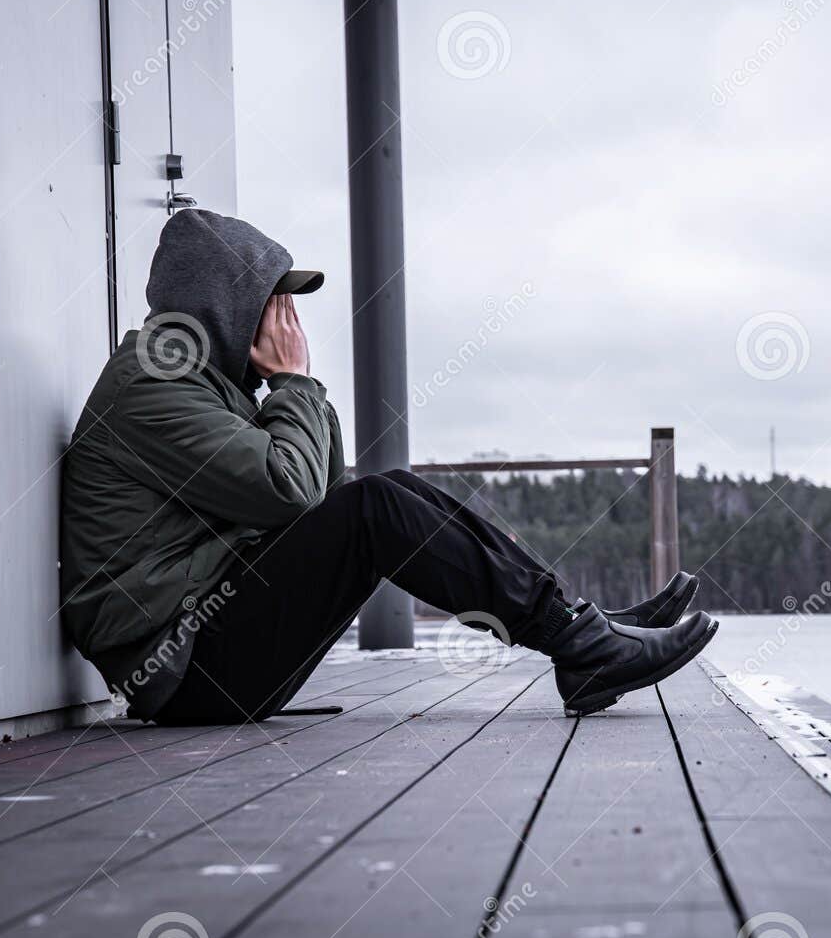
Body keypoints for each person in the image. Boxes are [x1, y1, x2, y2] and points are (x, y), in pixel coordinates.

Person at [59, 210, 717, 724]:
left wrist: (291, 389)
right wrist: (293, 383)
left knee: (387, 492)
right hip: (183, 671)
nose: (284, 318)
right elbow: (291, 487)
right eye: (271, 301)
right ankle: (581, 639)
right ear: (224, 307)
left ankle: (578, 625)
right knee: (378, 507)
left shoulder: (206, 383)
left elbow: (324, 484)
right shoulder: (153, 384)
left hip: (211, 647)